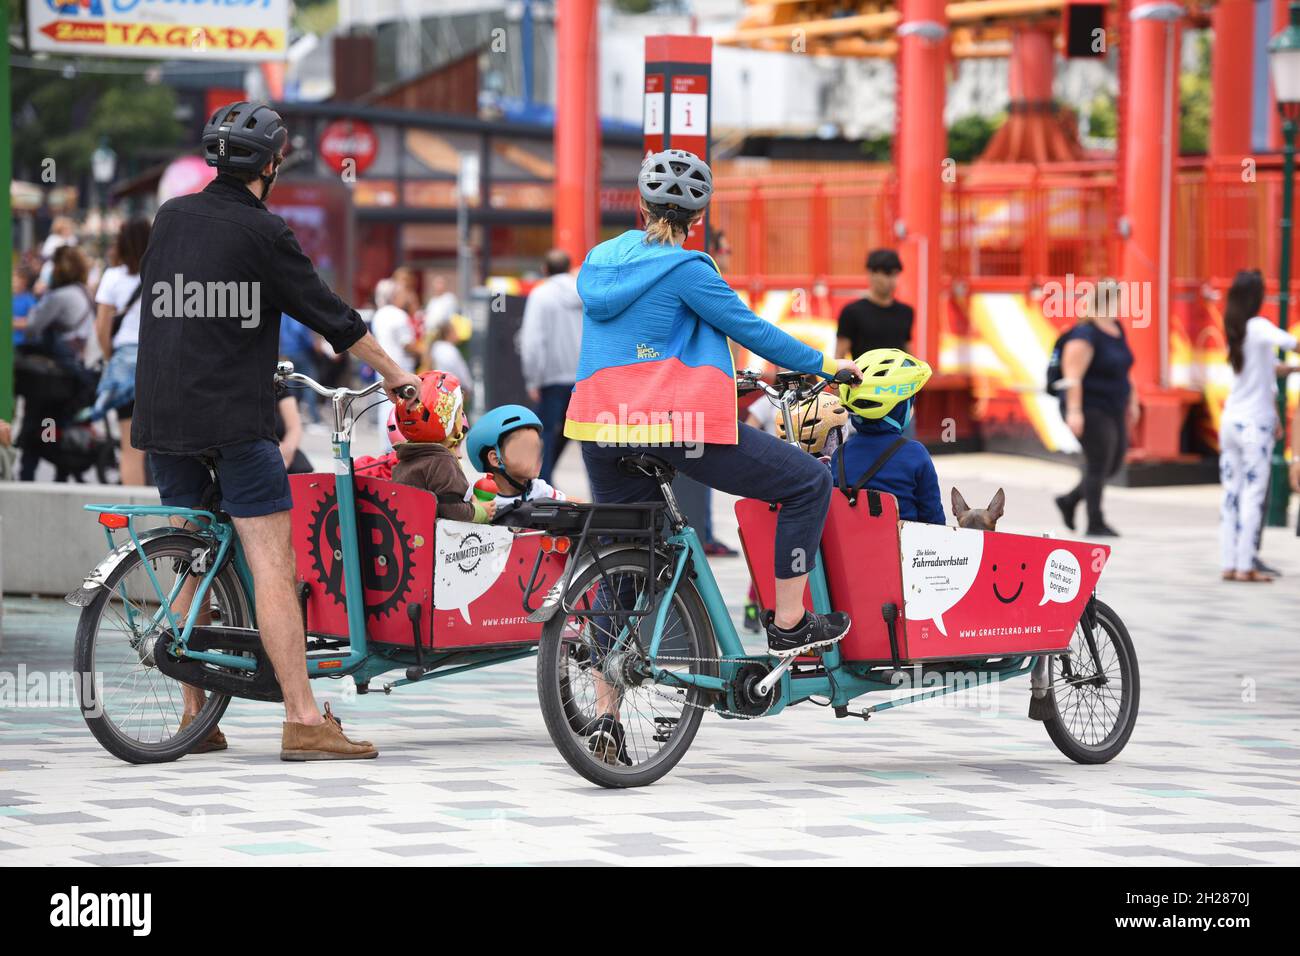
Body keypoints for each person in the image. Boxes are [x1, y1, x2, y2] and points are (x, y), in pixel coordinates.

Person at [132, 100, 422, 760]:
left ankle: (195, 717)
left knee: (186, 562)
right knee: (271, 563)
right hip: (234, 419)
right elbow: (333, 318)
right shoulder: (265, 233)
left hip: (163, 416)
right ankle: (301, 719)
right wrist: (401, 376)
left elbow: (165, 307)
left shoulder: (171, 218)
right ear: (270, 164)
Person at [567, 148, 861, 663]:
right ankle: (790, 623)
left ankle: (605, 714)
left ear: (640, 206)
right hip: (672, 426)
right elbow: (752, 330)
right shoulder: (686, 268)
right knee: (808, 482)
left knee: (626, 557)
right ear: (699, 219)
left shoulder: (598, 262)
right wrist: (825, 363)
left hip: (600, 426)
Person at [1217, 270, 1297, 581]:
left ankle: (1229, 562)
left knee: (1231, 494)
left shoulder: (1235, 329)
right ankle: (1245, 564)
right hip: (1254, 425)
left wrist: (1289, 368)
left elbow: (1264, 369)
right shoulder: (1260, 326)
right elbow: (1290, 342)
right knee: (1253, 493)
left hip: (1231, 422)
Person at [1052, 279, 1140, 537]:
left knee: (1113, 463)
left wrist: (1132, 399)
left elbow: (1124, 368)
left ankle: (1069, 500)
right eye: (1118, 299)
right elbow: (1073, 376)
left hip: (1114, 406)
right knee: (1099, 462)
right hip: (1090, 407)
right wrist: (1075, 411)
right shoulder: (1085, 334)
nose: (1122, 305)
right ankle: (1095, 521)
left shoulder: (1116, 328)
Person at [830, 349, 944, 524]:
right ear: (899, 408)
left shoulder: (840, 454)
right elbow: (934, 520)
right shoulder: (915, 454)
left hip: (850, 549)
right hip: (901, 550)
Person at [92, 218, 151, 485]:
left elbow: (102, 327)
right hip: (160, 362)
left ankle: (136, 510)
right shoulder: (163, 275)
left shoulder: (112, 278)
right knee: (166, 445)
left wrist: (109, 357)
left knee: (130, 449)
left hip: (126, 364)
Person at [390, 371, 493, 522]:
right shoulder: (442, 461)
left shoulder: (407, 457)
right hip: (434, 541)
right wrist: (481, 511)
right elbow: (452, 510)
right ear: (449, 420)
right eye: (459, 412)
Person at [519, 248, 583, 484]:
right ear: (568, 267)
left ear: (544, 270)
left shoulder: (541, 295)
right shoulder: (583, 292)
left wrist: (532, 378)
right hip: (583, 376)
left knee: (543, 433)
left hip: (552, 377)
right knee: (582, 435)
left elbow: (532, 341)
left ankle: (542, 486)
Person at [466, 404, 567, 506]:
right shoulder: (477, 495)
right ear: (496, 459)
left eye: (537, 449)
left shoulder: (540, 490)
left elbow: (574, 506)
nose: (536, 457)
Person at [369, 278, 422, 446]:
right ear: (394, 296)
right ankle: (398, 443)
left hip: (381, 365)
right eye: (401, 294)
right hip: (401, 368)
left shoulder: (379, 314)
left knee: (384, 406)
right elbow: (408, 344)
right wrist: (423, 349)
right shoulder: (399, 315)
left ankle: (387, 444)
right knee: (401, 407)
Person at [836, 249, 913, 359]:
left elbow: (908, 352)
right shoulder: (852, 312)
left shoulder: (906, 312)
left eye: (895, 274)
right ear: (871, 273)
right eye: (887, 274)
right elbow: (840, 354)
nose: (892, 280)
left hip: (899, 376)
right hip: (865, 376)